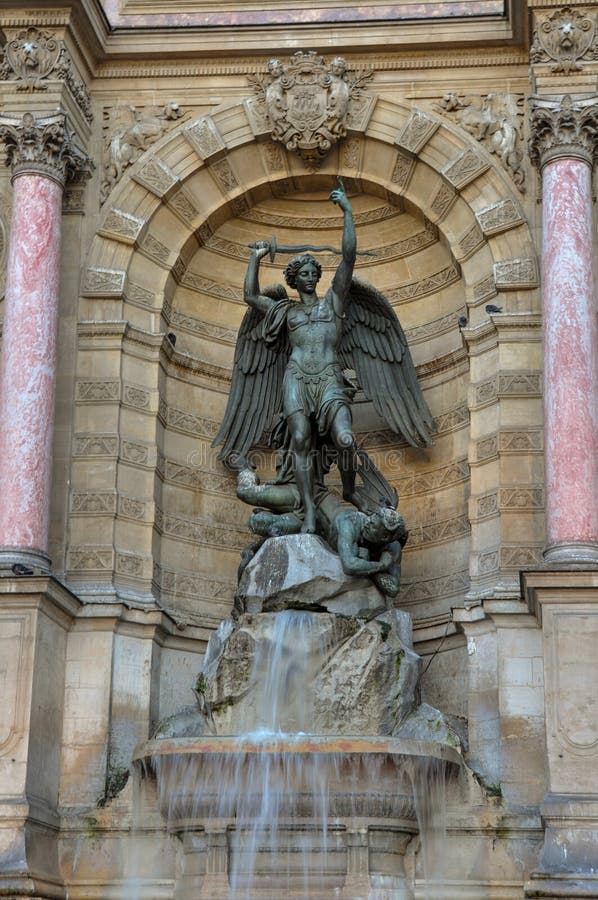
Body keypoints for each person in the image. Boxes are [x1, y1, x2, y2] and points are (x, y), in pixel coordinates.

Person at [243, 180, 358, 534]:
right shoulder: (284, 311)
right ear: (294, 280)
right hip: (296, 377)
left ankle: (350, 487)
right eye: (303, 274)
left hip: (327, 376)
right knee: (301, 443)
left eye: (313, 273)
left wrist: (348, 213)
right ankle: (308, 512)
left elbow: (349, 257)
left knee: (344, 439)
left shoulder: (333, 303)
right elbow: (250, 296)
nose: (309, 277)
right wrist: (255, 257)